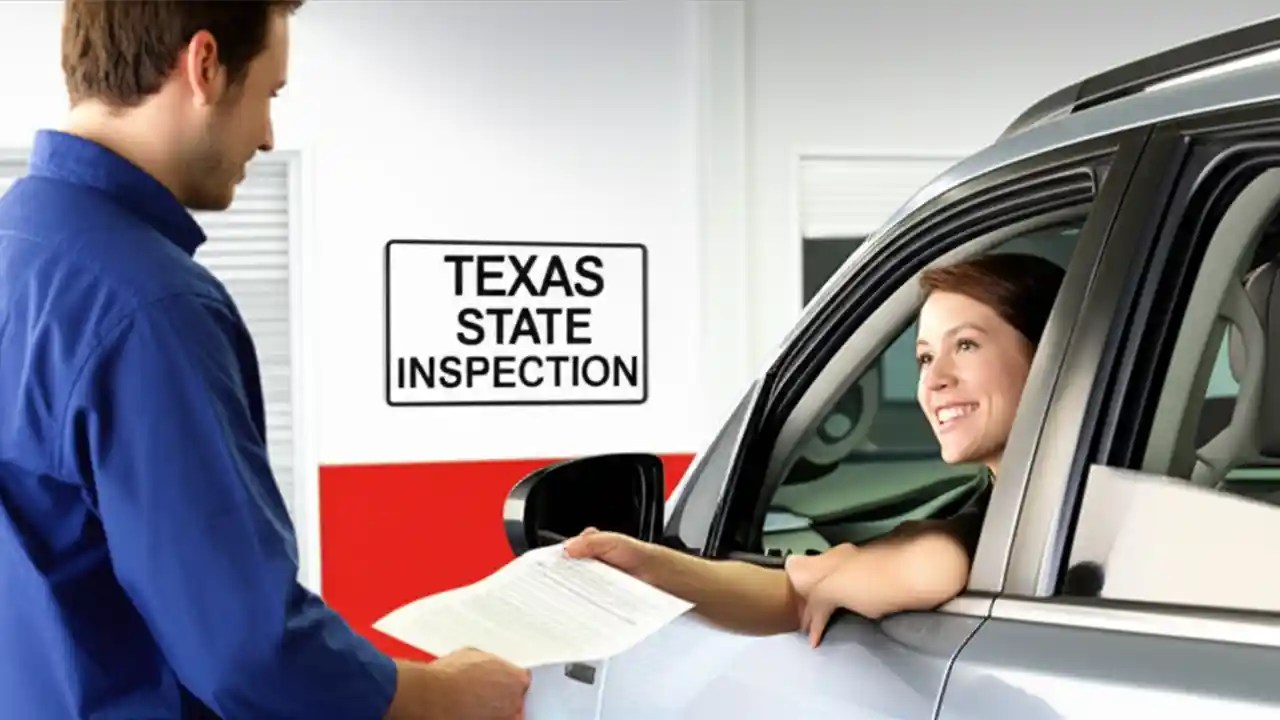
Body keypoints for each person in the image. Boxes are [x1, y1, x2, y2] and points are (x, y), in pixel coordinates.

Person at [0, 2, 528, 719]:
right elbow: (250, 652)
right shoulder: (149, 307)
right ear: (206, 66)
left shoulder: (17, 247)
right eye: (269, 95)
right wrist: (443, 694)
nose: (268, 136)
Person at [565, 252, 1065, 646]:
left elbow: (936, 566)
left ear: (1050, 353)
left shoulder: (1079, 503)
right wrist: (649, 565)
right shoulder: (1009, 503)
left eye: (967, 346)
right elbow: (792, 595)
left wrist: (865, 569)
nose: (934, 381)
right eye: (925, 357)